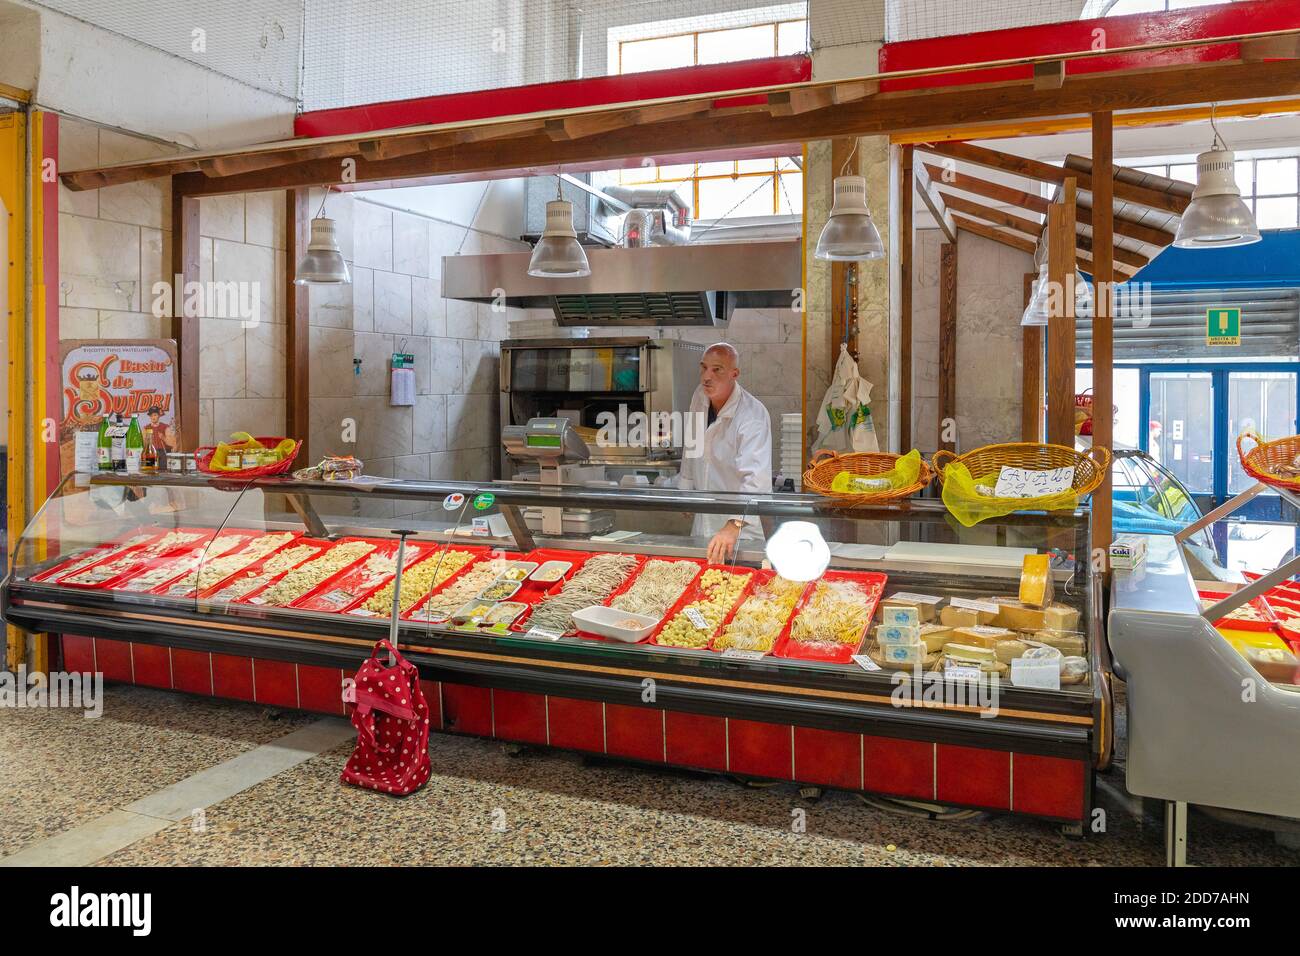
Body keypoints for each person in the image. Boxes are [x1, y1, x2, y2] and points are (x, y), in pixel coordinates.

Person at [676, 343, 772, 564]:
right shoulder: (699, 397)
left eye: (717, 369)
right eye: (703, 368)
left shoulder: (752, 415)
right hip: (703, 526)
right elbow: (692, 447)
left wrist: (733, 526)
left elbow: (757, 481)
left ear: (734, 374)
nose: (706, 377)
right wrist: (685, 492)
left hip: (740, 535)